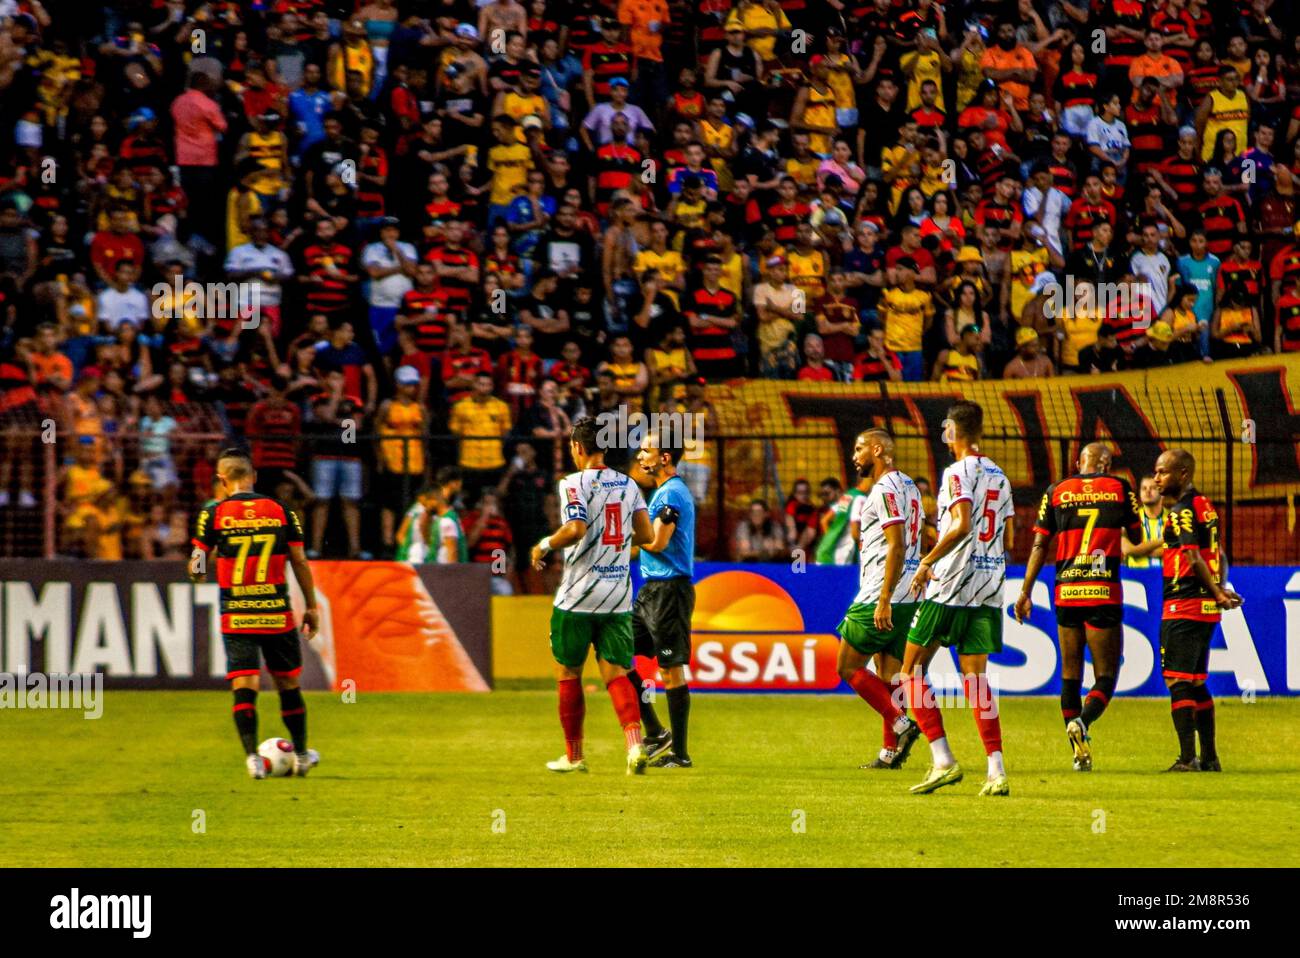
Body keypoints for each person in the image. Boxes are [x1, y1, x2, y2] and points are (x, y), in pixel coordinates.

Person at [1015, 443, 1155, 771]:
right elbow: (1135, 538)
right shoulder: (1120, 488)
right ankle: (1083, 723)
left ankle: (1078, 754)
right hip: (1102, 590)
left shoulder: (1056, 491)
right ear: (1107, 466)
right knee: (1106, 675)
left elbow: (1039, 544)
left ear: (1079, 463)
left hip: (1066, 590)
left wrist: (1025, 591)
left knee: (1070, 675)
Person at [901, 400, 1014, 796]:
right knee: (977, 681)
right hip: (990, 584)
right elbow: (1009, 538)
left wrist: (926, 561)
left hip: (950, 584)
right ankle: (996, 771)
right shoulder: (1001, 476)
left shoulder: (956, 471)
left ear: (952, 429)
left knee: (909, 671)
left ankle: (943, 760)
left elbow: (962, 524)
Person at [188, 448, 321, 780]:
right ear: (254, 477)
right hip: (275, 612)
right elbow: (300, 561)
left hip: (237, 613)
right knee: (287, 682)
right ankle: (302, 755)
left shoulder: (213, 514)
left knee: (244, 685)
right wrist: (312, 606)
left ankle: (252, 760)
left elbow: (198, 565)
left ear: (221, 479)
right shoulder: (281, 510)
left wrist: (199, 568)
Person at [531, 417, 654, 775]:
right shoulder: (629, 484)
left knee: (568, 672)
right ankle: (634, 747)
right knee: (617, 672)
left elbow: (575, 528)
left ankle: (574, 756)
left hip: (578, 596)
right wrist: (613, 549)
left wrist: (544, 545)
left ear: (578, 448)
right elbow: (645, 534)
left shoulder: (572, 482)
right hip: (617, 596)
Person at [836, 429, 924, 771]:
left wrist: (884, 598)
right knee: (888, 675)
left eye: (859, 448)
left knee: (847, 666)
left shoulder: (885, 488)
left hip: (880, 593)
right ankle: (890, 753)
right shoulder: (910, 487)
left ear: (877, 449)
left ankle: (902, 724)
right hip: (910, 595)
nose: (854, 455)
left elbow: (897, 543)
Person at [1152, 449, 1243, 771]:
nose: (1157, 478)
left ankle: (1187, 758)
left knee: (1177, 681)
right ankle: (1211, 757)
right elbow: (1216, 551)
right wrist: (1219, 590)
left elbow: (1193, 557)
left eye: (1163, 472)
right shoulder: (1206, 506)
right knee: (1196, 680)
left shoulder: (1182, 510)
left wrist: (1217, 592)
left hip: (1184, 603)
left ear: (1183, 474)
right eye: (1157, 471)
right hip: (1204, 608)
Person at [630, 427, 697, 769]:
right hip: (652, 591)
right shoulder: (664, 493)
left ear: (664, 458)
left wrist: (620, 541)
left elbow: (657, 543)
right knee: (617, 653)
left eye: (646, 450)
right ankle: (656, 730)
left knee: (670, 670)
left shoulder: (670, 495)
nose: (640, 456)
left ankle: (680, 754)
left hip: (669, 590)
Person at [1125, 473, 1168, 569]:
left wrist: (1140, 550)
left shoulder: (1172, 518)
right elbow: (1128, 550)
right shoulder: (1130, 518)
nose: (1148, 491)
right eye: (1144, 488)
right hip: (1136, 578)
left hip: (1165, 577)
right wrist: (1163, 540)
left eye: (1152, 488)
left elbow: (1177, 550)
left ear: (1161, 492)